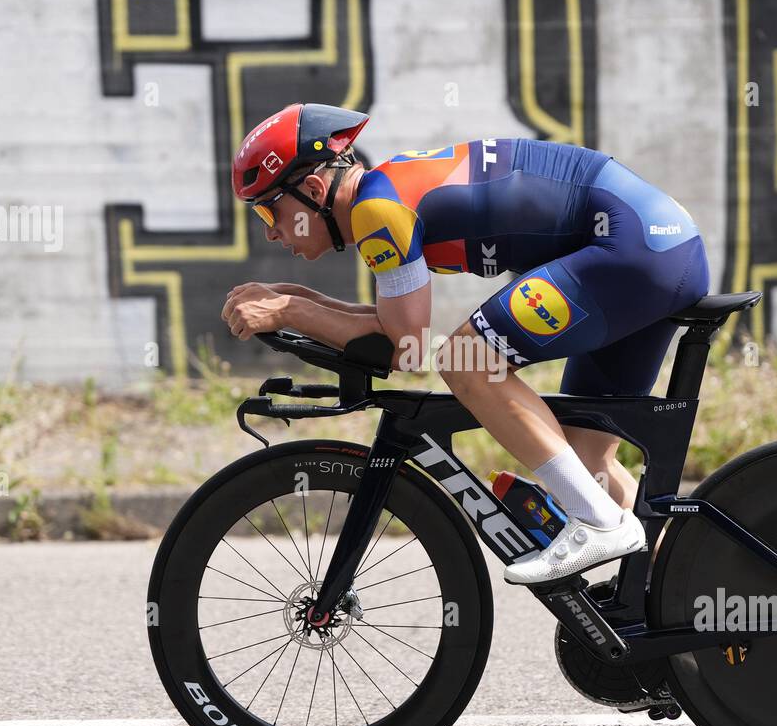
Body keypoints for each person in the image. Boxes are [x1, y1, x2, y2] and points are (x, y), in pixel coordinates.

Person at [221, 103, 710, 585]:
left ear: (312, 190)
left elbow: (405, 351)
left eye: (270, 209)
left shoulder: (377, 210)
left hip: (632, 248)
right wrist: (300, 300)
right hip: (654, 248)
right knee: (585, 455)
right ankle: (677, 589)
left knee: (466, 360)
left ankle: (601, 524)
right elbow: (397, 327)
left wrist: (290, 311)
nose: (270, 231)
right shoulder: (383, 197)